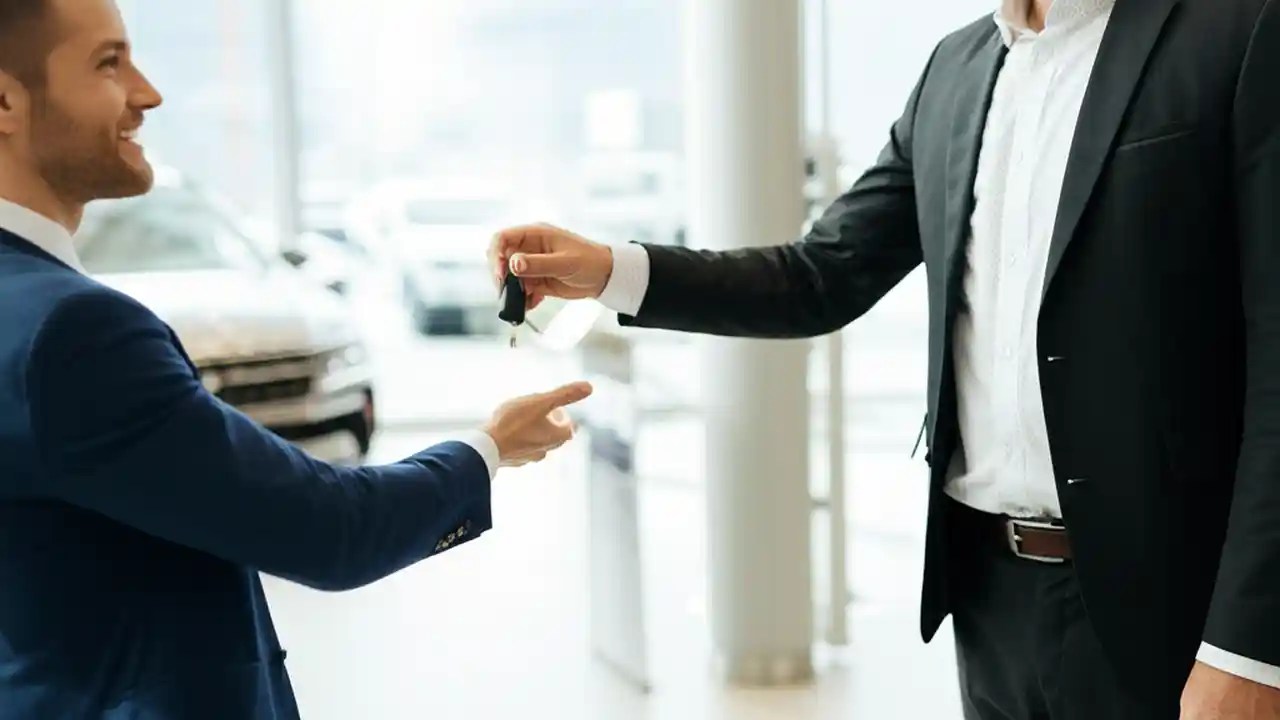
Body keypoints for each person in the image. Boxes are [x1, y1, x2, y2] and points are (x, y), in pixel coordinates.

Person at [489, 0, 1280, 717]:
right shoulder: (956, 68)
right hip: (987, 595)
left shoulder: (1235, 31)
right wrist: (611, 268)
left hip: (1173, 601)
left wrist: (1248, 648)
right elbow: (819, 275)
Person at [0, 1, 592, 718]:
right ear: (5, 99)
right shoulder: (75, 332)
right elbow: (331, 530)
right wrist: (489, 447)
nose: (147, 92)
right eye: (108, 62)